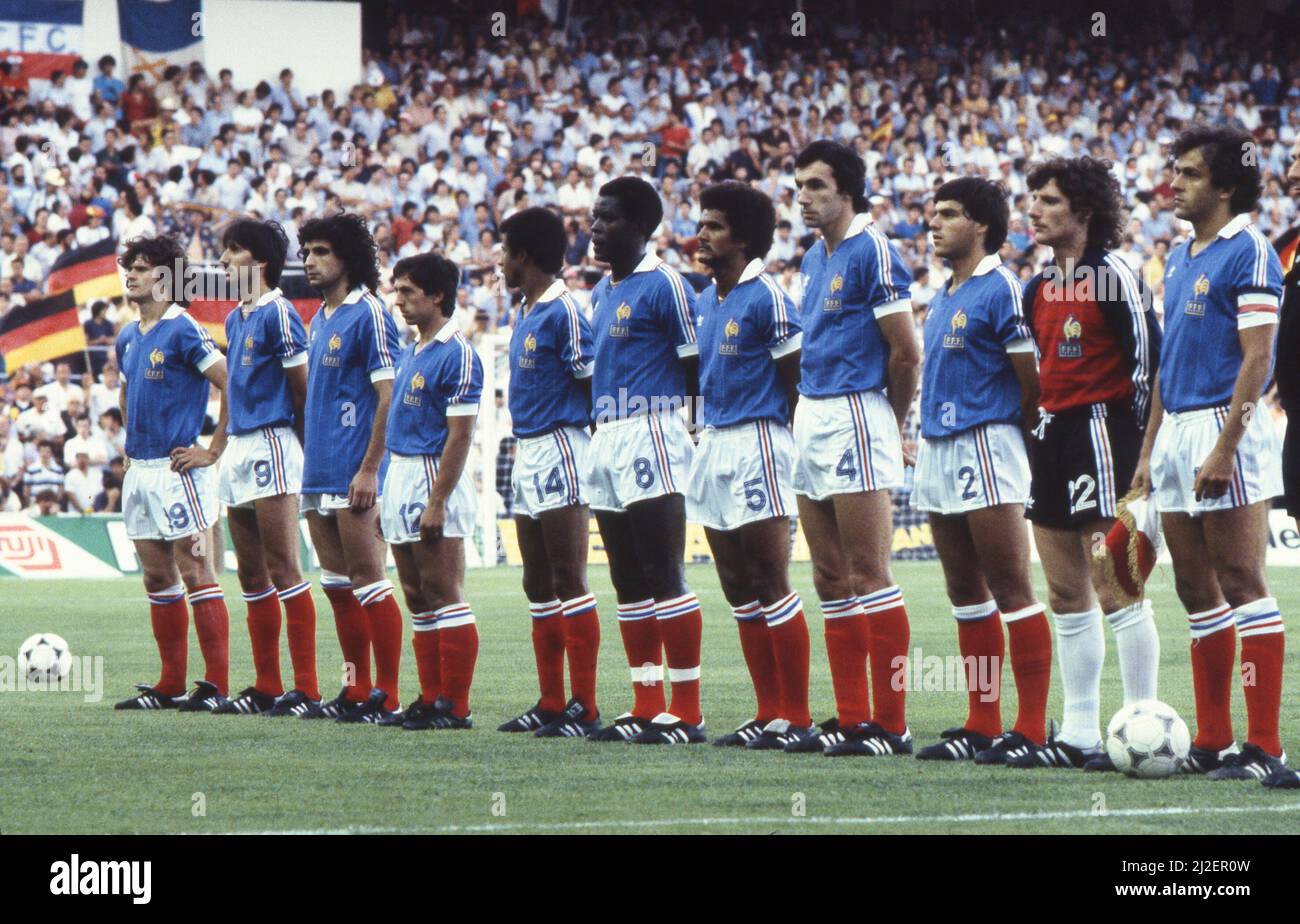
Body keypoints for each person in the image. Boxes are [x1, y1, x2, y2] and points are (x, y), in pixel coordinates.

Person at [1134, 125, 1293, 787]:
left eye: (1192, 173)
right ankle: (1212, 739)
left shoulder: (1249, 251)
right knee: (1194, 589)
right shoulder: (1178, 255)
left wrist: (1227, 446)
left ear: (1226, 186)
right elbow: (1169, 365)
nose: (1177, 182)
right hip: (1175, 435)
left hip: (1226, 430)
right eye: (1177, 170)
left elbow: (1259, 357)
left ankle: (1266, 748)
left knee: (1242, 583)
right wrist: (1147, 454)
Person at [1014, 156, 1163, 770]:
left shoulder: (1115, 276)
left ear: (1084, 212)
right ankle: (1076, 734)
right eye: (1032, 199)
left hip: (1104, 437)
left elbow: (1147, 367)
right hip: (1053, 438)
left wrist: (1141, 455)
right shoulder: (1036, 286)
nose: (1035, 210)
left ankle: (1142, 725)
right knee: (1064, 591)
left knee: (1116, 586)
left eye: (1048, 200)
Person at [910, 177, 1053, 763]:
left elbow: (1033, 386)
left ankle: (1031, 728)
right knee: (964, 591)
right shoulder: (945, 292)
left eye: (948, 213)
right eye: (933, 213)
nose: (934, 223)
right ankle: (981, 721)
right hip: (939, 444)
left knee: (1010, 585)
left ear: (982, 226)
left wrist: (1006, 439)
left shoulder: (1004, 291)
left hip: (986, 443)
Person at [786, 140, 920, 756]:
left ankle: (891, 725)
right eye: (800, 186)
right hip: (811, 414)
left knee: (869, 572)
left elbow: (905, 350)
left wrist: (890, 422)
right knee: (829, 575)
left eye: (816, 186)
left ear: (848, 191)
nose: (804, 197)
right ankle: (851, 717)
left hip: (857, 411)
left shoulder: (874, 251)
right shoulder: (815, 257)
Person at [686, 181, 812, 750]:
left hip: (760, 440)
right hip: (714, 443)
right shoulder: (706, 299)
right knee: (737, 585)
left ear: (740, 236)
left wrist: (782, 442)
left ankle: (797, 716)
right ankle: (767, 712)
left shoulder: (769, 298)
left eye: (712, 226)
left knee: (769, 578)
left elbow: (796, 384)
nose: (701, 235)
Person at [585, 176, 707, 744]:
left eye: (606, 217)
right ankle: (645, 702)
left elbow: (693, 367)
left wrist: (696, 428)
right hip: (606, 434)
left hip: (652, 428)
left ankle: (687, 710)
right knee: (626, 576)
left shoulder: (666, 286)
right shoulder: (602, 292)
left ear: (639, 226)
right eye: (593, 215)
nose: (594, 226)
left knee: (663, 570)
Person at [111, 234, 233, 712]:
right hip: (140, 471)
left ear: (166, 277)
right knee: (157, 578)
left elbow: (230, 385)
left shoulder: (184, 329)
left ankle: (216, 686)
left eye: (141, 267)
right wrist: (128, 441)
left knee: (196, 571)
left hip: (178, 470)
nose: (132, 275)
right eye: (130, 267)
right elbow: (126, 392)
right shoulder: (128, 335)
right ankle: (171, 684)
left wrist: (212, 450)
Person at [496, 207, 603, 738]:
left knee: (568, 575)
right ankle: (551, 701)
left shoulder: (565, 311)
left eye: (503, 250)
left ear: (525, 255)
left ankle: (584, 704)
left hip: (562, 444)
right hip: (528, 449)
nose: (499, 261)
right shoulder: (527, 308)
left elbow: (591, 382)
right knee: (535, 578)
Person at [295, 212, 403, 723]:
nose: (310, 262)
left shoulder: (371, 314)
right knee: (337, 586)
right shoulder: (319, 319)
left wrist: (370, 468)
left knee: (369, 581)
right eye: (306, 252)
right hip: (317, 470)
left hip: (353, 469)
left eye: (321, 252)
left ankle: (390, 693)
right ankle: (355, 689)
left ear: (348, 258)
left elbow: (389, 396)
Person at [210, 218, 319, 716]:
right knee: (251, 574)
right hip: (238, 447)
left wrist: (304, 450)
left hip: (274, 443)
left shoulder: (280, 314)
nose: (224, 260)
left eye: (233, 251)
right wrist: (217, 446)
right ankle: (267, 685)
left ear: (259, 262)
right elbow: (231, 390)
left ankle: (309, 688)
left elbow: (302, 391)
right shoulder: (236, 318)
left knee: (284, 567)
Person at [379, 253, 483, 730]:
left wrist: (437, 500)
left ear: (437, 295)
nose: (398, 300)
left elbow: (459, 435)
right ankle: (429, 696)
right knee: (415, 592)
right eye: (397, 291)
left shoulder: (457, 352)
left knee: (444, 591)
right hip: (400, 473)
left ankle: (455, 707)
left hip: (431, 474)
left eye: (407, 292)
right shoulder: (411, 350)